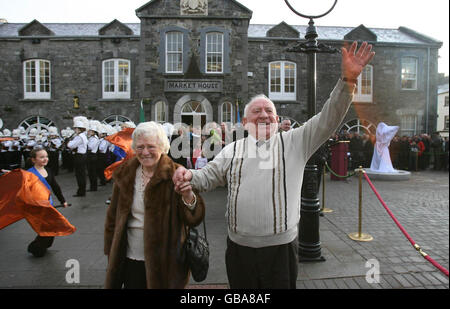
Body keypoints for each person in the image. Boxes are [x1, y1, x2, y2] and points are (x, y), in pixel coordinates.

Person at [173, 41, 375, 289]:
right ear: (245, 121)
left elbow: (328, 117)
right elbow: (206, 178)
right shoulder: (232, 149)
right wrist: (186, 175)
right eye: (256, 111)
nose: (263, 115)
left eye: (269, 110)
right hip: (238, 249)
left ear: (277, 120)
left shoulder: (296, 142)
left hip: (280, 249)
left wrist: (347, 82)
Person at [104, 121, 205, 289]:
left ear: (162, 146)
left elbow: (194, 218)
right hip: (130, 257)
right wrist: (111, 252)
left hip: (166, 262)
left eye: (151, 146)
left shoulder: (176, 173)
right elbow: (112, 218)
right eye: (140, 147)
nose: (145, 152)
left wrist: (188, 196)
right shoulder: (125, 173)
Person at [26, 147, 69, 257]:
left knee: (50, 226)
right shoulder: (29, 174)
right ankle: (36, 248)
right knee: (48, 226)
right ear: (33, 160)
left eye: (46, 156)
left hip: (48, 203)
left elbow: (55, 187)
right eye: (41, 157)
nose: (45, 159)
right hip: (37, 205)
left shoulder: (48, 170)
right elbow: (25, 191)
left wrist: (62, 200)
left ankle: (39, 247)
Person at [67, 116, 88, 197]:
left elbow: (70, 145)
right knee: (81, 174)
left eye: (75, 128)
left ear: (79, 129)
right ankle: (82, 190)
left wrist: (69, 141)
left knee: (79, 174)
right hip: (82, 156)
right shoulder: (83, 136)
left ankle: (81, 191)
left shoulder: (79, 137)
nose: (74, 130)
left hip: (79, 157)